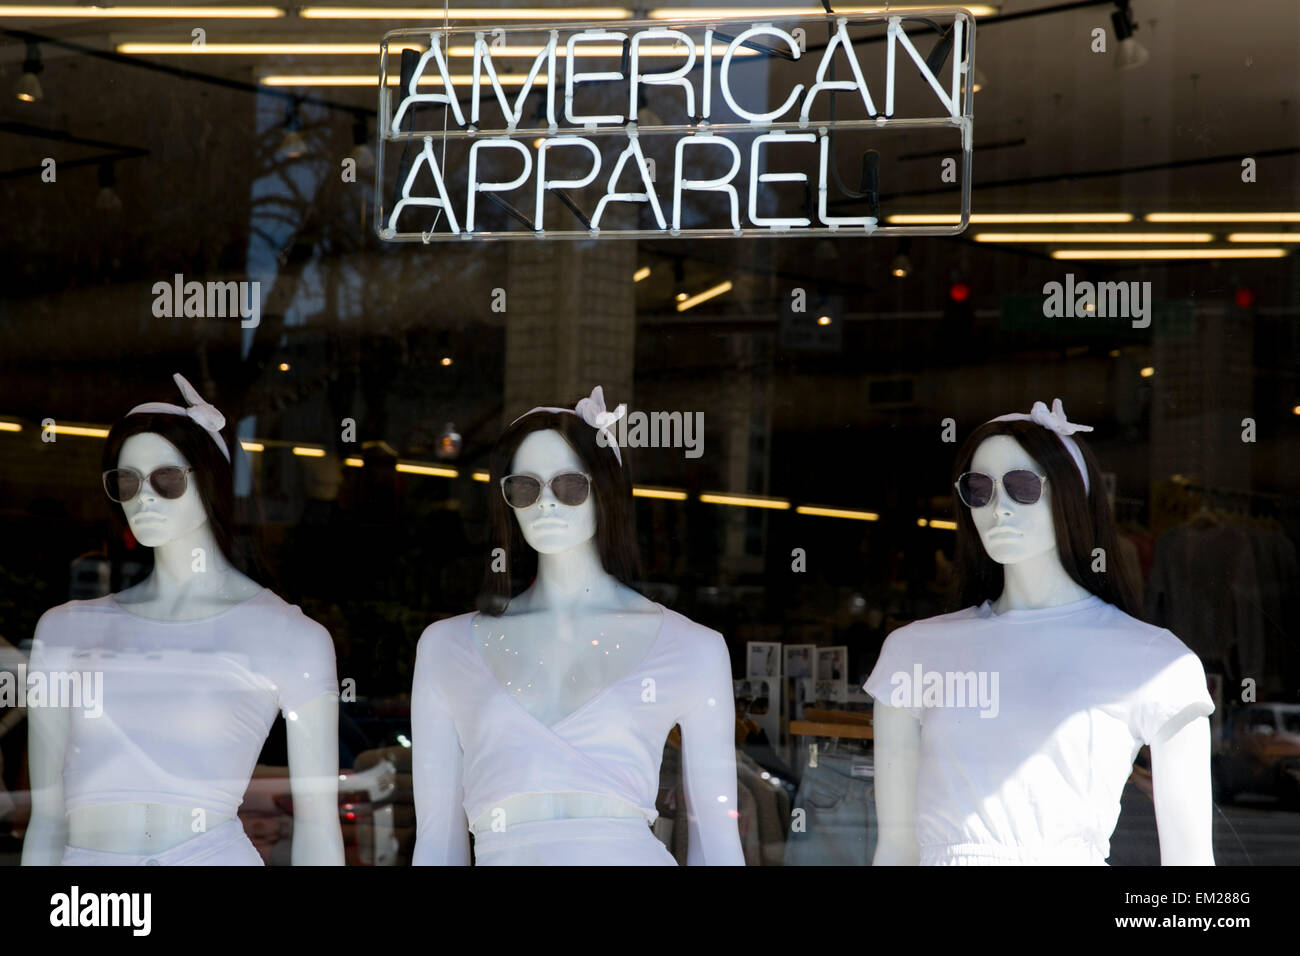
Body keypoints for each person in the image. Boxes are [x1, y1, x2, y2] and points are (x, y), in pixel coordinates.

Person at [867, 399, 1214, 866]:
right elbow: (895, 849)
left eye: (1023, 487)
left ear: (1072, 497)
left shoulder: (1154, 662)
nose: (998, 509)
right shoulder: (914, 652)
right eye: (979, 488)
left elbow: (1190, 862)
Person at [411, 387, 744, 865]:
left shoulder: (692, 649)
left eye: (569, 486)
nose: (546, 504)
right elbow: (437, 842)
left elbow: (717, 843)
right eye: (525, 487)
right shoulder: (446, 648)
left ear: (603, 490)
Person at [22, 374, 343, 866]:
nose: (142, 497)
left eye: (166, 478)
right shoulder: (65, 631)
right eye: (125, 481)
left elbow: (318, 825)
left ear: (209, 479)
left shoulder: (289, 636)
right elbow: (46, 818)